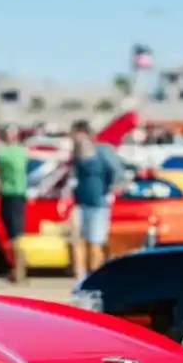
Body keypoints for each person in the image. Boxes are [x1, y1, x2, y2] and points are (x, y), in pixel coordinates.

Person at [67, 120, 125, 280]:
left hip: (99, 204)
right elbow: (74, 177)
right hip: (81, 204)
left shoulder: (102, 151)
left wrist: (112, 190)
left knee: (95, 243)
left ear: (85, 133)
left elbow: (117, 172)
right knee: (79, 241)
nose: (74, 138)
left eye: (76, 134)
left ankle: (96, 276)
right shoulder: (77, 155)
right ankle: (82, 276)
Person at [0, 124, 29, 283]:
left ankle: (17, 270)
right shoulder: (22, 152)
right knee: (17, 233)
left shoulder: (3, 154)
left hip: (8, 194)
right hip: (20, 195)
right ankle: (19, 270)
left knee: (13, 235)